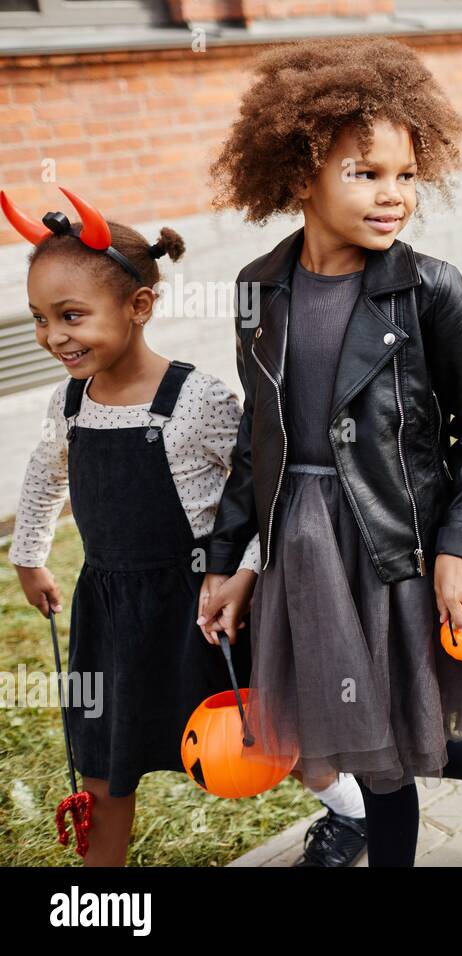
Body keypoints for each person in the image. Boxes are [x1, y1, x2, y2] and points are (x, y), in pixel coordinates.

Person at [198, 37, 462, 868]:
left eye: (405, 174)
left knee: (387, 755)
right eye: (365, 173)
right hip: (304, 546)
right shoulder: (260, 286)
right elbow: (262, 440)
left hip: (395, 542)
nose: (393, 195)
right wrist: (231, 561)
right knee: (343, 739)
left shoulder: (427, 287)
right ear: (300, 177)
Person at [6, 187, 256, 866]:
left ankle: (348, 804)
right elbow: (44, 470)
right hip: (110, 609)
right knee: (103, 760)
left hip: (201, 609)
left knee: (251, 741)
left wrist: (245, 572)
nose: (54, 336)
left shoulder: (196, 397)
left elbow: (262, 484)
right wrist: (28, 554)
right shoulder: (70, 401)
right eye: (39, 319)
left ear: (140, 306)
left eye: (72, 315)